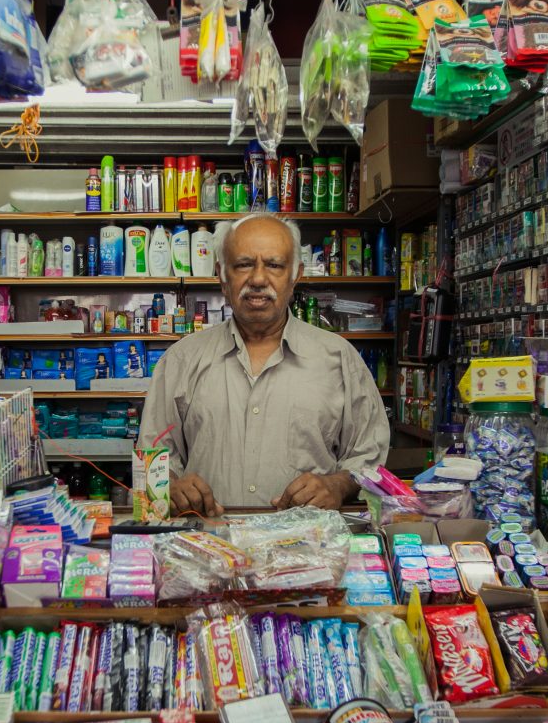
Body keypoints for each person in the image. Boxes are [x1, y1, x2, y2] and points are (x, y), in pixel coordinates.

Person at [138, 211, 389, 514]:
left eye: (274, 265)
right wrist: (169, 486)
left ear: (295, 275)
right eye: (244, 264)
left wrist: (337, 485)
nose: (258, 279)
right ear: (222, 276)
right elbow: (153, 457)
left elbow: (369, 457)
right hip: (208, 539)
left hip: (307, 540)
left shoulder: (339, 359)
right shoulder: (180, 361)